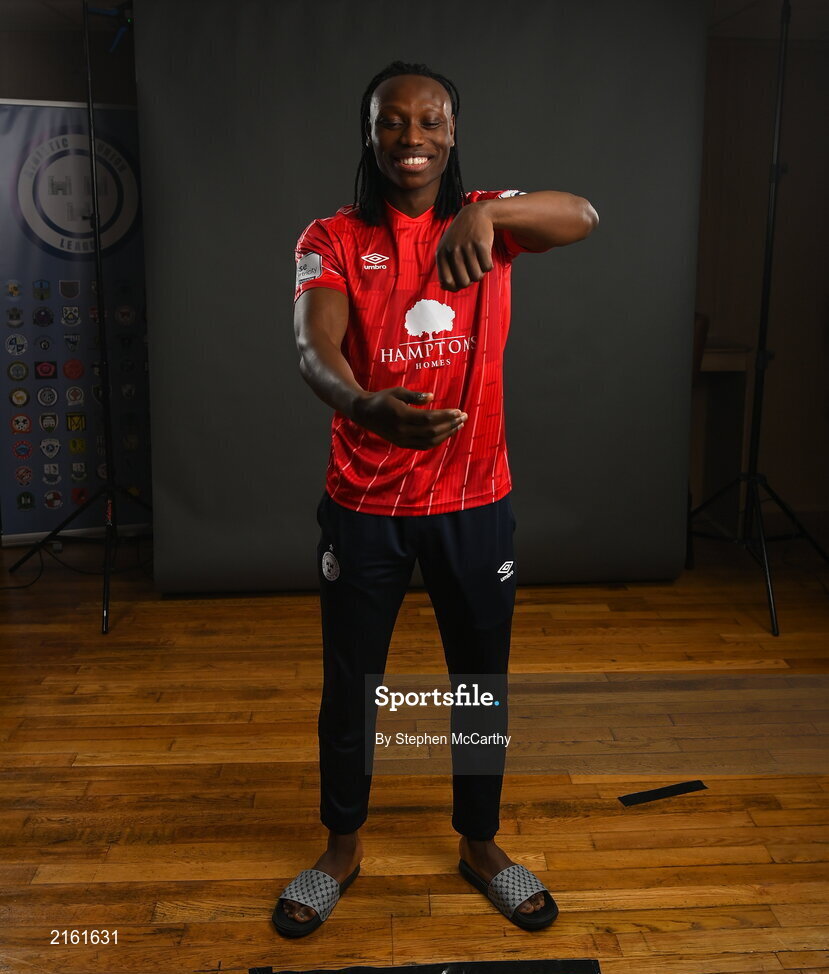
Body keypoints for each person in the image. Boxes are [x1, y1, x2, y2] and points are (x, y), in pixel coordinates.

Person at [273, 60, 598, 938]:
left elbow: (583, 215)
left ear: (451, 132)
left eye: (428, 122)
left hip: (472, 501)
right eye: (391, 122)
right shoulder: (331, 235)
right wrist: (361, 404)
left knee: (479, 685)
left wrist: (486, 213)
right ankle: (340, 848)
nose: (410, 138)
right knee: (352, 686)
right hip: (366, 506)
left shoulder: (492, 217)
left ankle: (480, 844)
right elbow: (314, 351)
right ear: (369, 134)